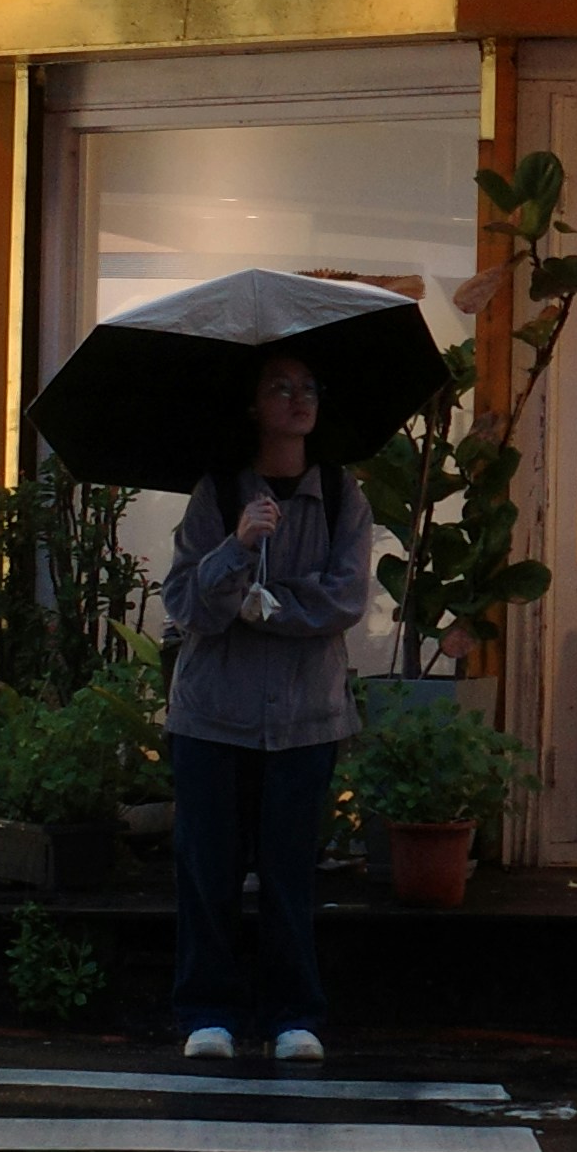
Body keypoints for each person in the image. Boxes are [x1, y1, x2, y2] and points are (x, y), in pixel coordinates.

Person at [161, 346, 372, 1068]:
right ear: (253, 406)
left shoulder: (342, 495)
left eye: (308, 387)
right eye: (280, 388)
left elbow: (344, 600)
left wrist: (260, 607)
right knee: (207, 871)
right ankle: (208, 1010)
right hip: (213, 715)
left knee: (289, 874)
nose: (297, 399)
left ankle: (293, 1015)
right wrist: (234, 548)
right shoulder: (217, 495)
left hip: (304, 719)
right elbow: (187, 604)